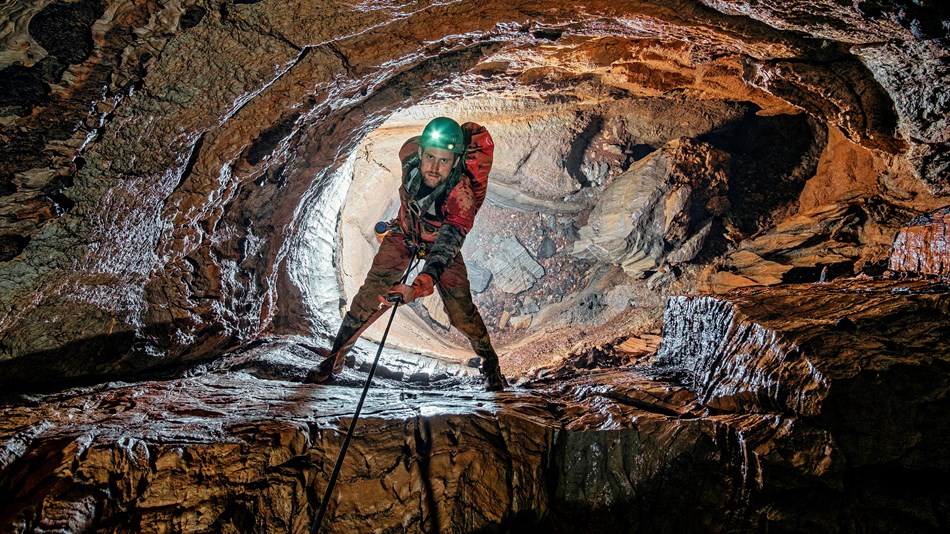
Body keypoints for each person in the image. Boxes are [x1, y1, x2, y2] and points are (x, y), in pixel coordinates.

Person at [308, 117, 507, 391]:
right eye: (430, 157)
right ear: (421, 153)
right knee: (365, 299)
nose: (434, 167)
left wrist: (419, 286)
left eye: (444, 161)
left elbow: (445, 249)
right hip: (405, 233)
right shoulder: (409, 156)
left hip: (439, 246)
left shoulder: (461, 199)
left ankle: (490, 363)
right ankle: (333, 360)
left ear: (456, 162)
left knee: (461, 314)